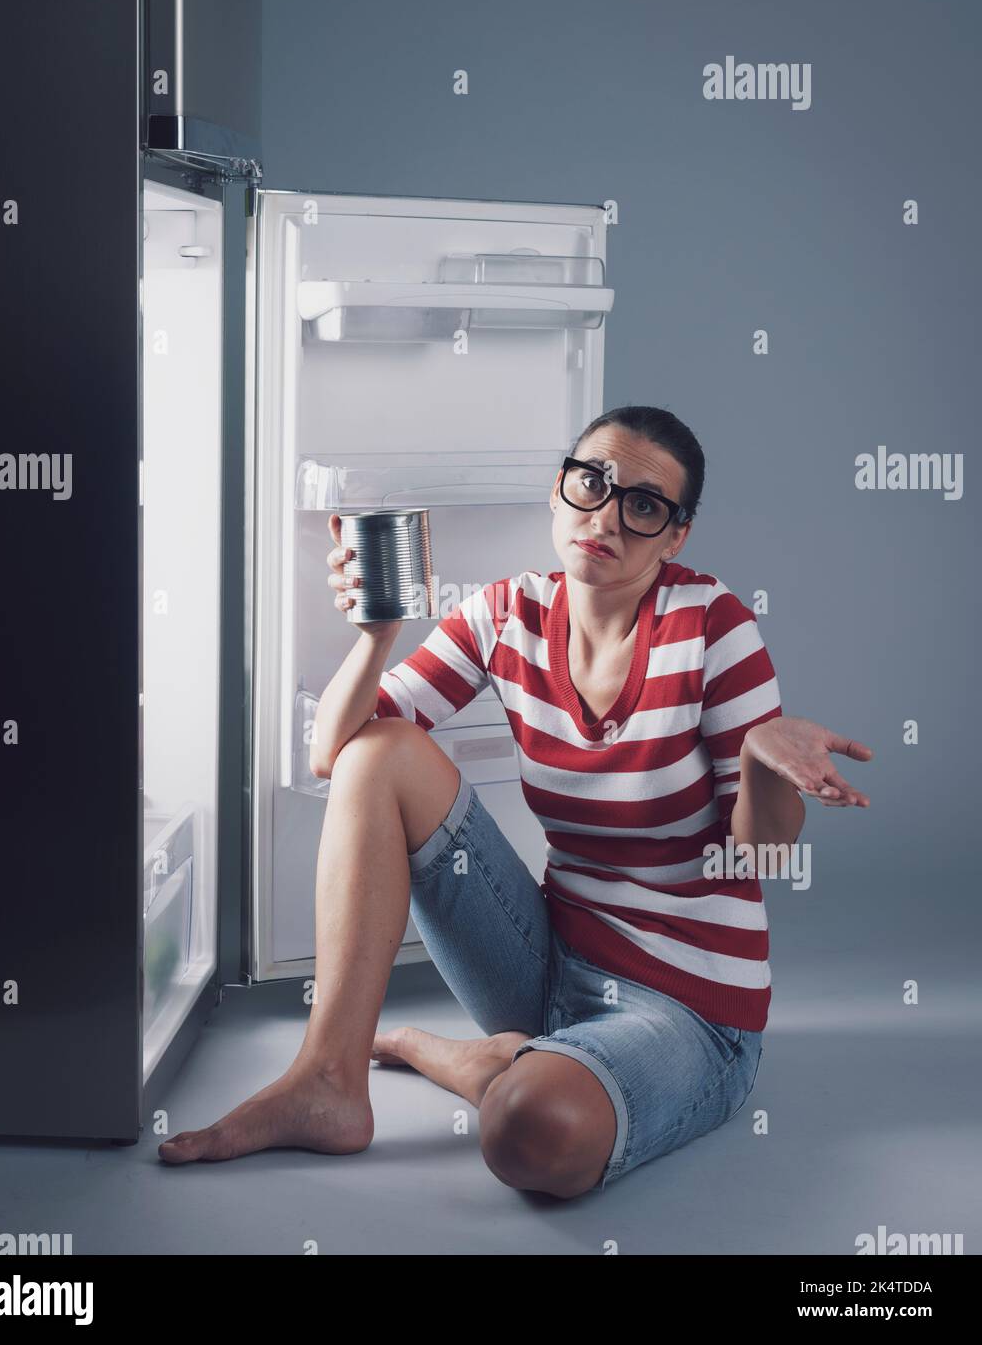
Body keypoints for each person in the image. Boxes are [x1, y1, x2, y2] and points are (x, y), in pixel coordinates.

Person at [158, 404, 872, 1196]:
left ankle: (478, 1061)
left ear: (675, 537)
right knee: (382, 750)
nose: (605, 516)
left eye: (643, 506)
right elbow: (339, 756)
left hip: (686, 1012)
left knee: (529, 1133)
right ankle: (328, 1080)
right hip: (544, 968)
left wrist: (763, 758)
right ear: (559, 488)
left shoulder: (712, 627)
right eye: (590, 482)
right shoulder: (507, 614)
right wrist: (377, 635)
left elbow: (760, 856)